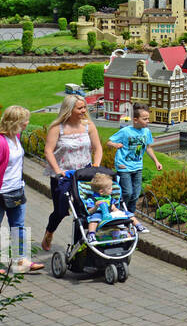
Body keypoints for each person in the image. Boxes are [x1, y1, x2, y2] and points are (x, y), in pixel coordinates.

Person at [0, 105, 43, 273]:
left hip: (17, 189)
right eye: (24, 121)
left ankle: (20, 260)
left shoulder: (16, 136)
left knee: (18, 226)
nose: (27, 123)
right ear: (14, 122)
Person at [40, 95, 103, 251]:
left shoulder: (88, 126)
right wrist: (57, 171)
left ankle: (79, 246)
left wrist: (95, 165)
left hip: (84, 174)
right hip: (64, 175)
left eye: (84, 107)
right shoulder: (57, 128)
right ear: (69, 110)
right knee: (61, 211)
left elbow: (98, 148)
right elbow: (48, 151)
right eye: (80, 108)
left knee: (83, 211)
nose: (84, 111)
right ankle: (49, 232)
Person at [106, 104, 161, 233]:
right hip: (123, 166)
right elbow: (109, 141)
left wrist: (156, 161)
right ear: (135, 120)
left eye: (148, 118)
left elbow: (148, 148)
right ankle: (118, 215)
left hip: (137, 167)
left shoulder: (146, 132)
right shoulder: (126, 131)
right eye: (145, 119)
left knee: (135, 195)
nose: (148, 121)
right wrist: (115, 145)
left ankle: (129, 218)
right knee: (127, 193)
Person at [83, 173, 118, 237]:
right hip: (97, 214)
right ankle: (91, 235)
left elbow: (114, 208)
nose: (112, 189)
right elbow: (89, 211)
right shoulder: (92, 199)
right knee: (93, 220)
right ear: (101, 191)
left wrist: (118, 212)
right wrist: (96, 206)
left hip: (109, 215)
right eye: (109, 188)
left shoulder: (109, 198)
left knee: (117, 218)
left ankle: (118, 234)